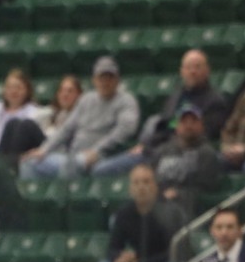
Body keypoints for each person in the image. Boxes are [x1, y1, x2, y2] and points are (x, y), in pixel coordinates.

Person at [96, 49, 231, 176]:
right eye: (188, 67)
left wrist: (163, 149)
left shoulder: (214, 101)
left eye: (197, 67)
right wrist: (146, 146)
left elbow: (201, 137)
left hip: (183, 156)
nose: (193, 71)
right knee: (101, 170)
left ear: (207, 70)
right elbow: (165, 127)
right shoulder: (176, 96)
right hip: (157, 151)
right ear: (182, 71)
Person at [26, 57, 139, 179]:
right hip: (73, 155)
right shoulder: (86, 99)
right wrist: (44, 150)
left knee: (72, 165)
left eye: (110, 78)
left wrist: (97, 151)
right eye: (101, 78)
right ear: (94, 80)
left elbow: (125, 130)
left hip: (102, 156)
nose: (105, 82)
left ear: (117, 80)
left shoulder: (126, 101)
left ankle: (66, 192)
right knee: (30, 162)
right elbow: (66, 129)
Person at [100, 164, 184, 262]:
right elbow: (113, 248)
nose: (141, 187)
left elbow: (176, 253)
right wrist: (118, 259)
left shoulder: (170, 212)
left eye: (146, 182)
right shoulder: (124, 213)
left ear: (155, 186)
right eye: (136, 183)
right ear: (130, 188)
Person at [0, 69, 47, 158]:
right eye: (9, 87)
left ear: (27, 90)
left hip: (17, 154)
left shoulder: (34, 111)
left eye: (18, 88)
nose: (14, 92)